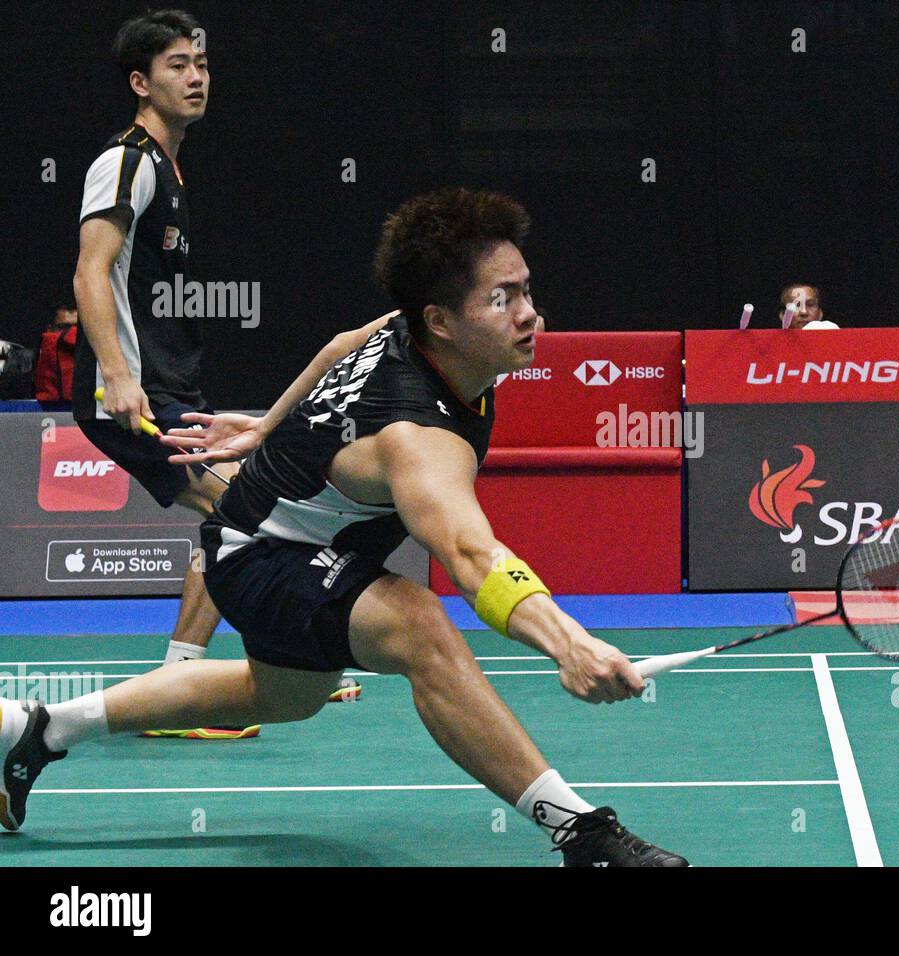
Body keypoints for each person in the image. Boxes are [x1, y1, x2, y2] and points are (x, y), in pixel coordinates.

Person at [1, 187, 689, 866]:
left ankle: (44, 728)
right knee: (419, 624)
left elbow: (340, 345)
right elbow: (470, 554)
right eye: (501, 299)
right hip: (257, 553)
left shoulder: (411, 328)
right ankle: (580, 832)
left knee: (285, 695)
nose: (529, 314)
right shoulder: (418, 438)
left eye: (526, 290)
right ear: (442, 322)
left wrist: (267, 425)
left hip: (277, 538)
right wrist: (570, 644)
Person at [69, 11, 351, 738]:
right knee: (248, 510)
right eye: (176, 65)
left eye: (200, 64)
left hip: (169, 385)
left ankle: (192, 681)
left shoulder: (169, 167)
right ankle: (229, 677)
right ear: (140, 82)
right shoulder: (126, 162)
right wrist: (116, 374)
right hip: (129, 391)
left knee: (231, 517)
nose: (196, 77)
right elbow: (90, 272)